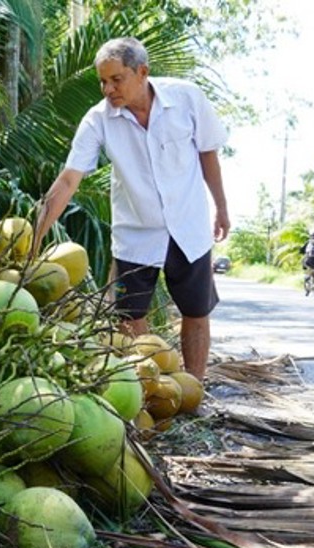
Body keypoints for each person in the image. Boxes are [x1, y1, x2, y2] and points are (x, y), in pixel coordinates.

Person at [32, 37, 230, 382]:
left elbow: (207, 153)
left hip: (188, 225)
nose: (108, 89)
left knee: (196, 311)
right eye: (103, 81)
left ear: (142, 72)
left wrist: (221, 207)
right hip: (135, 234)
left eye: (116, 79)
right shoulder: (98, 120)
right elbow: (68, 181)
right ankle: (149, 390)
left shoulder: (186, 98)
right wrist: (34, 238)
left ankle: (194, 388)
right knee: (128, 316)